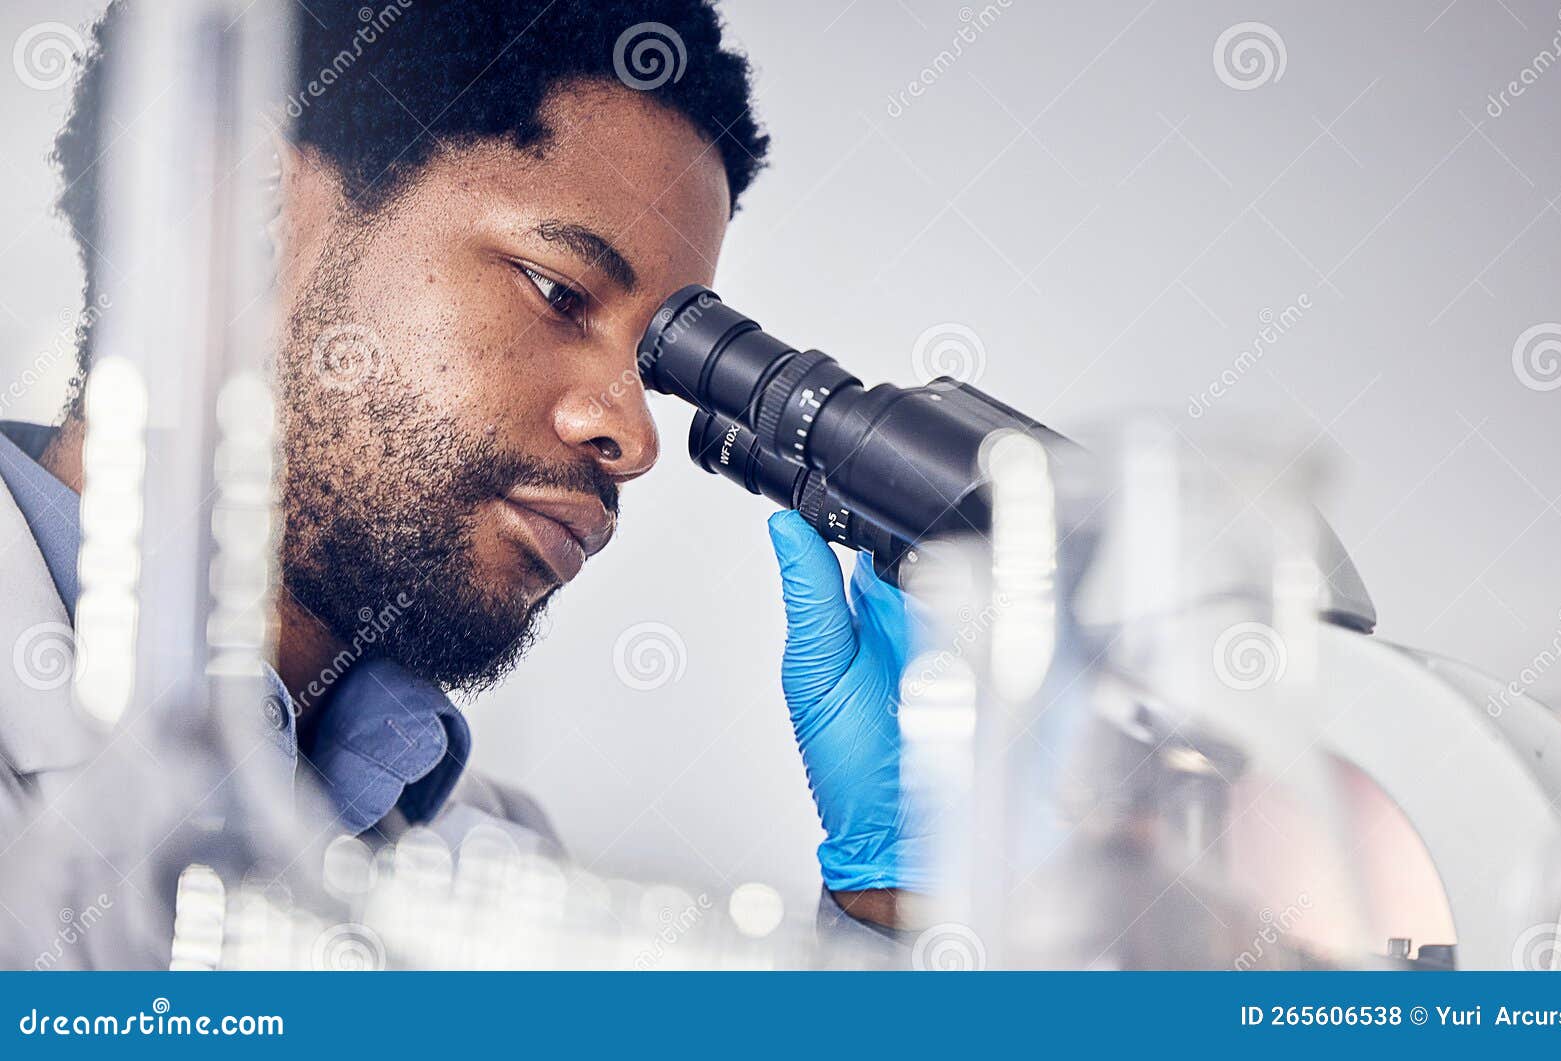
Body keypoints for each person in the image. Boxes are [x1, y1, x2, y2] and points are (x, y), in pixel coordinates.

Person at [0, 0, 930, 962]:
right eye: (560, 292)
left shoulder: (489, 857)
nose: (633, 435)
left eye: (653, 369)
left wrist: (889, 899)